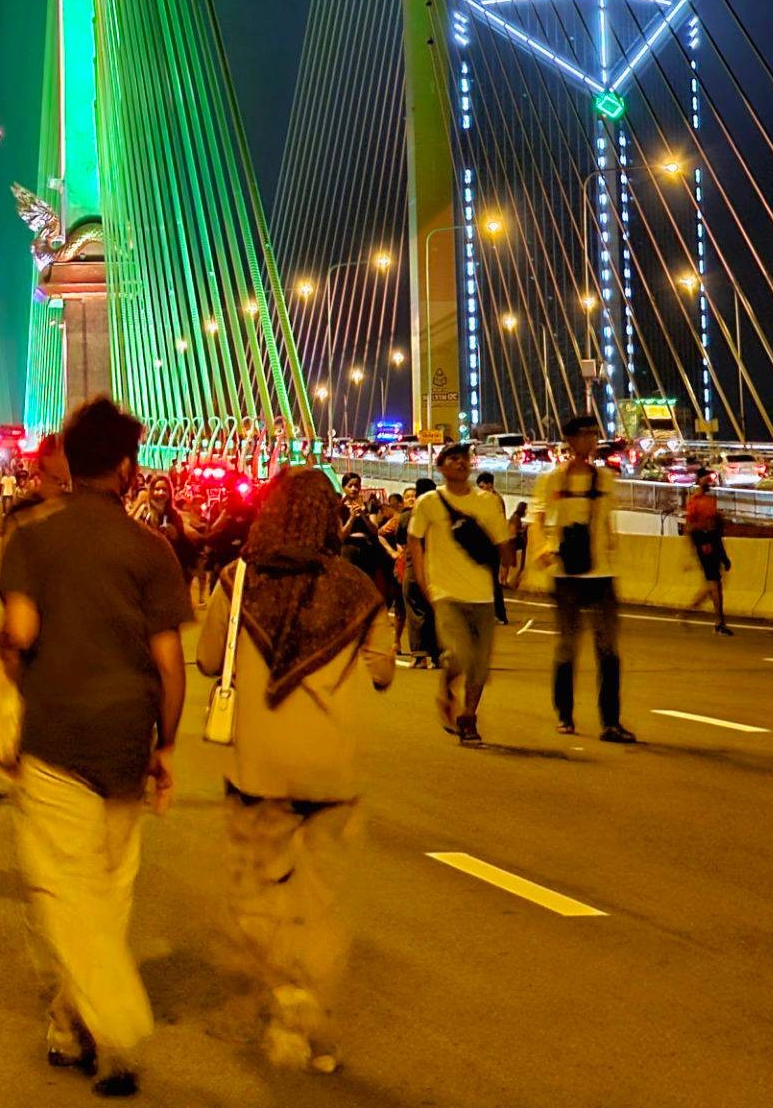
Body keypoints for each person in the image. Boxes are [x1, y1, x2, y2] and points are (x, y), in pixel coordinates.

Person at [0, 396, 192, 1098]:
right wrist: (164, 748)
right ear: (127, 466)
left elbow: (18, 634)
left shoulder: (34, 538)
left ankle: (112, 1030)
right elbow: (170, 664)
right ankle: (66, 1023)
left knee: (65, 890)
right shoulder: (151, 550)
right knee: (107, 894)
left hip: (55, 736)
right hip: (125, 740)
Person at [196, 471, 393, 1075]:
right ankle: (308, 996)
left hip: (258, 770)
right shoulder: (359, 590)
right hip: (331, 772)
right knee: (320, 901)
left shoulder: (237, 581)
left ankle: (283, 995)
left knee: (260, 894)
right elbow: (382, 673)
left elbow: (207, 660)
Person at [536, 415, 637, 740]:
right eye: (584, 435)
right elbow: (539, 517)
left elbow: (607, 521)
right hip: (566, 575)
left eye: (594, 435)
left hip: (602, 573)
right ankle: (564, 714)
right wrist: (543, 549)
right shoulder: (553, 480)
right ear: (569, 440)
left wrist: (611, 546)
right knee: (567, 647)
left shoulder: (605, 478)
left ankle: (611, 721)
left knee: (608, 649)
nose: (591, 441)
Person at [407, 443, 511, 744]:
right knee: (460, 654)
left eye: (465, 458)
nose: (461, 463)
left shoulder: (487, 502)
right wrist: (425, 581)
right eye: (453, 458)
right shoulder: (428, 502)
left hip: (482, 595)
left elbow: (501, 540)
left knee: (480, 665)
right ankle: (448, 687)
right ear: (441, 467)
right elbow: (415, 540)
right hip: (446, 593)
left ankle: (468, 716)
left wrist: (509, 563)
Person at [684, 468, 732, 634]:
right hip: (705, 544)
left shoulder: (711, 500)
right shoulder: (694, 501)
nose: (709, 482)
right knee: (714, 584)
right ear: (699, 480)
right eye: (706, 478)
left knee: (714, 585)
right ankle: (719, 623)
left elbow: (716, 527)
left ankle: (689, 612)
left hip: (714, 542)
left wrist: (723, 554)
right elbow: (690, 527)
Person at [401, 476, 439, 668]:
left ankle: (419, 655)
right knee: (436, 613)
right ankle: (439, 655)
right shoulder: (441, 516)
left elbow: (400, 536)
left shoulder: (410, 515)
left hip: (414, 569)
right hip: (437, 570)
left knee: (416, 612)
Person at [476, 470, 511, 625]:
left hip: (491, 545)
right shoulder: (495, 499)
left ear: (490, 485)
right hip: (491, 545)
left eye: (483, 486)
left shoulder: (493, 500)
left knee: (491, 581)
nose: (481, 490)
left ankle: (499, 614)